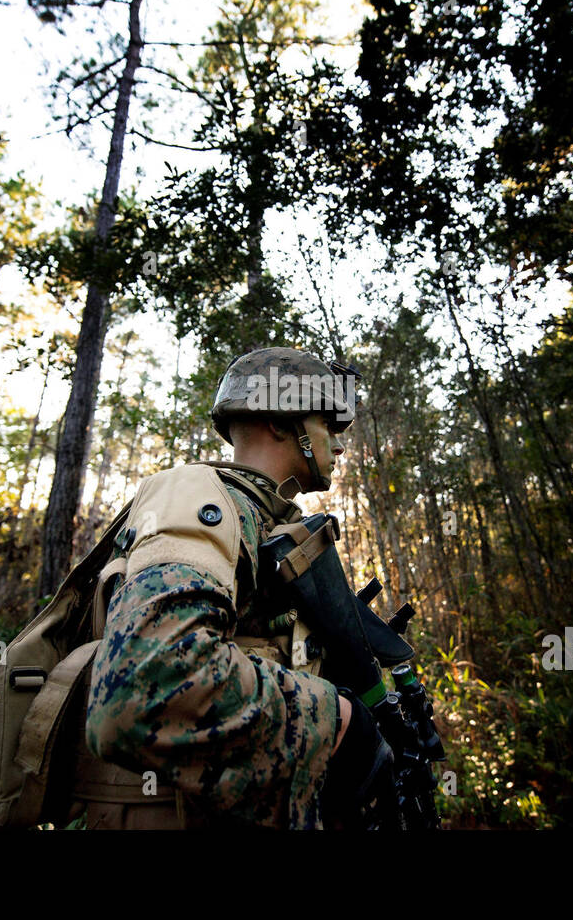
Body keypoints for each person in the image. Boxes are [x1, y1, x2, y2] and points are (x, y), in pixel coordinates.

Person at [82, 347, 393, 829]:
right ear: (281, 419)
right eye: (328, 426)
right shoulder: (203, 500)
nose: (339, 444)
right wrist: (340, 724)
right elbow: (144, 689)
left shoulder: (272, 529)